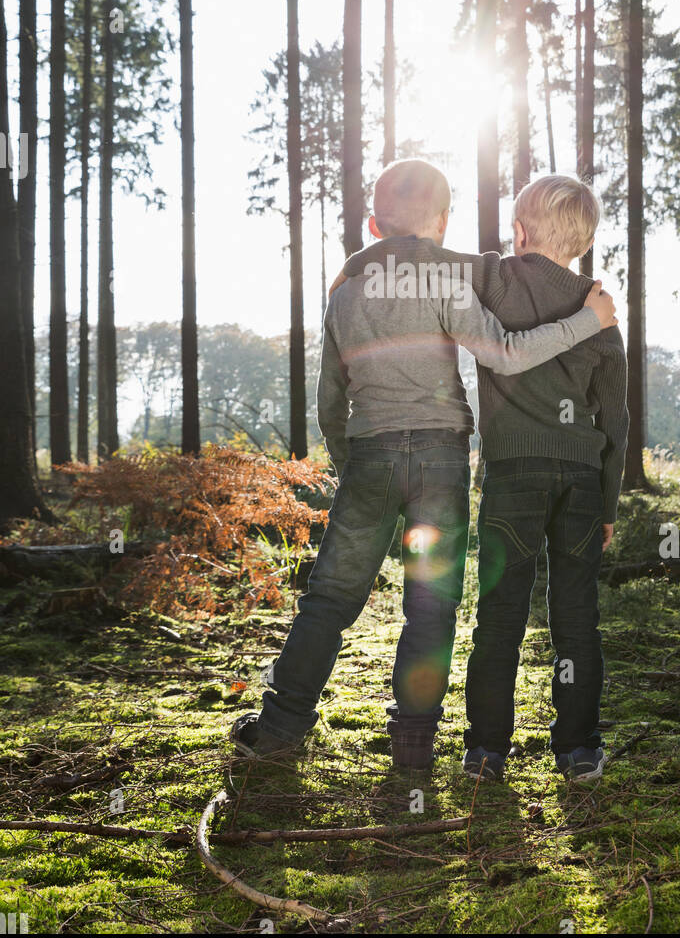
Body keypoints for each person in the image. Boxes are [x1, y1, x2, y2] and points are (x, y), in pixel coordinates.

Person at [231, 160, 616, 771]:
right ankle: (414, 746)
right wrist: (585, 321)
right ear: (442, 223)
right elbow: (507, 354)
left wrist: (349, 456)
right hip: (441, 458)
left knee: (329, 597)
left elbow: (330, 398)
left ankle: (280, 727)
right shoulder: (445, 282)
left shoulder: (346, 293)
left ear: (371, 222)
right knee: (432, 604)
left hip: (369, 454)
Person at [338, 173, 628, 784]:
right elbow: (617, 420)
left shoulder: (494, 275)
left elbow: (420, 250)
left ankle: (486, 750)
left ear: (520, 232)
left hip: (512, 475)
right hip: (580, 476)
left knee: (500, 613)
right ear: (582, 241)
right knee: (577, 616)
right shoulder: (599, 310)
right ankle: (578, 751)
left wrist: (359, 264)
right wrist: (608, 506)